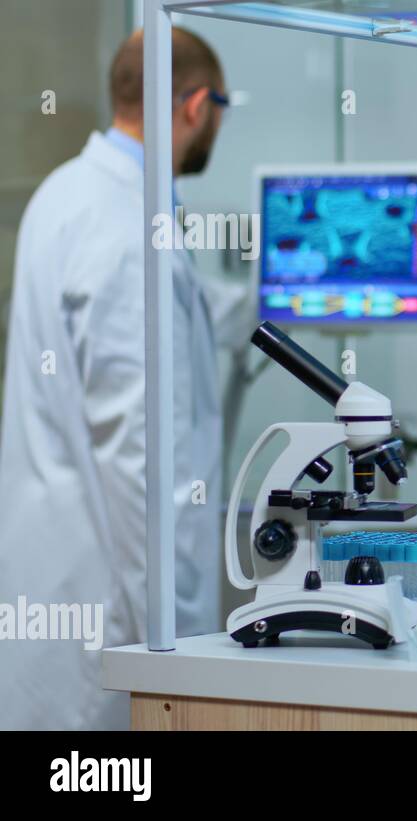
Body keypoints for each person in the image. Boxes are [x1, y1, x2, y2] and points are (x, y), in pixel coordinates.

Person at [0, 28, 230, 730]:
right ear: (195, 105)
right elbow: (140, 461)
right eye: (221, 103)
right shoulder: (130, 232)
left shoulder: (66, 195)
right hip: (116, 635)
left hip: (58, 599)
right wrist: (174, 646)